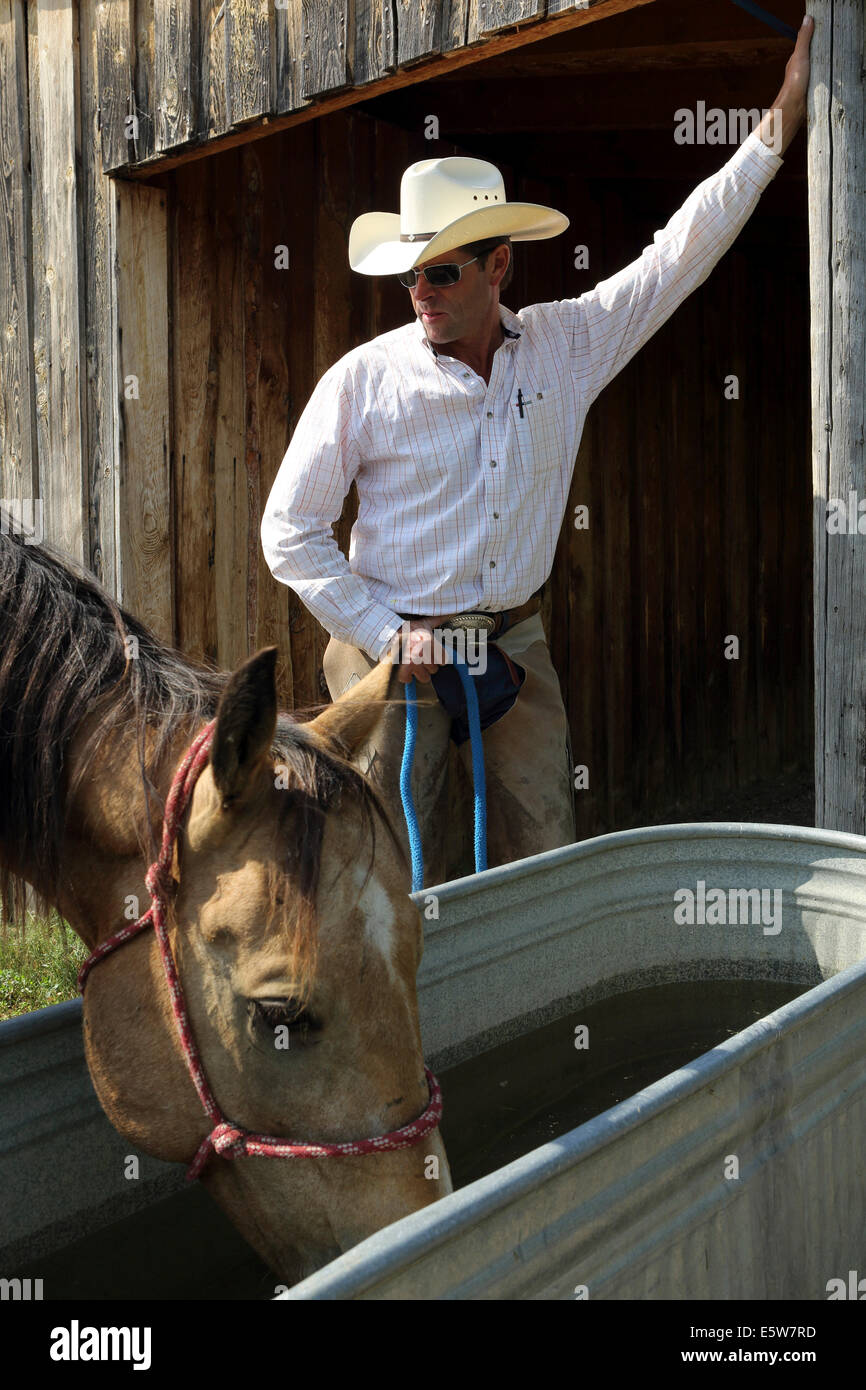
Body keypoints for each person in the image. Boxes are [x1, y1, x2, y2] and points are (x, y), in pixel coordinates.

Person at [261, 17, 813, 888]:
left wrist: (780, 122)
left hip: (512, 651)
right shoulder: (363, 381)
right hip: (387, 659)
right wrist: (383, 635)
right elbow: (288, 530)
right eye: (412, 273)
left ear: (499, 267)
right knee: (384, 875)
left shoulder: (568, 345)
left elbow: (677, 257)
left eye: (444, 271)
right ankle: (412, 1027)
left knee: (546, 857)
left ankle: (541, 1016)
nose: (422, 291)